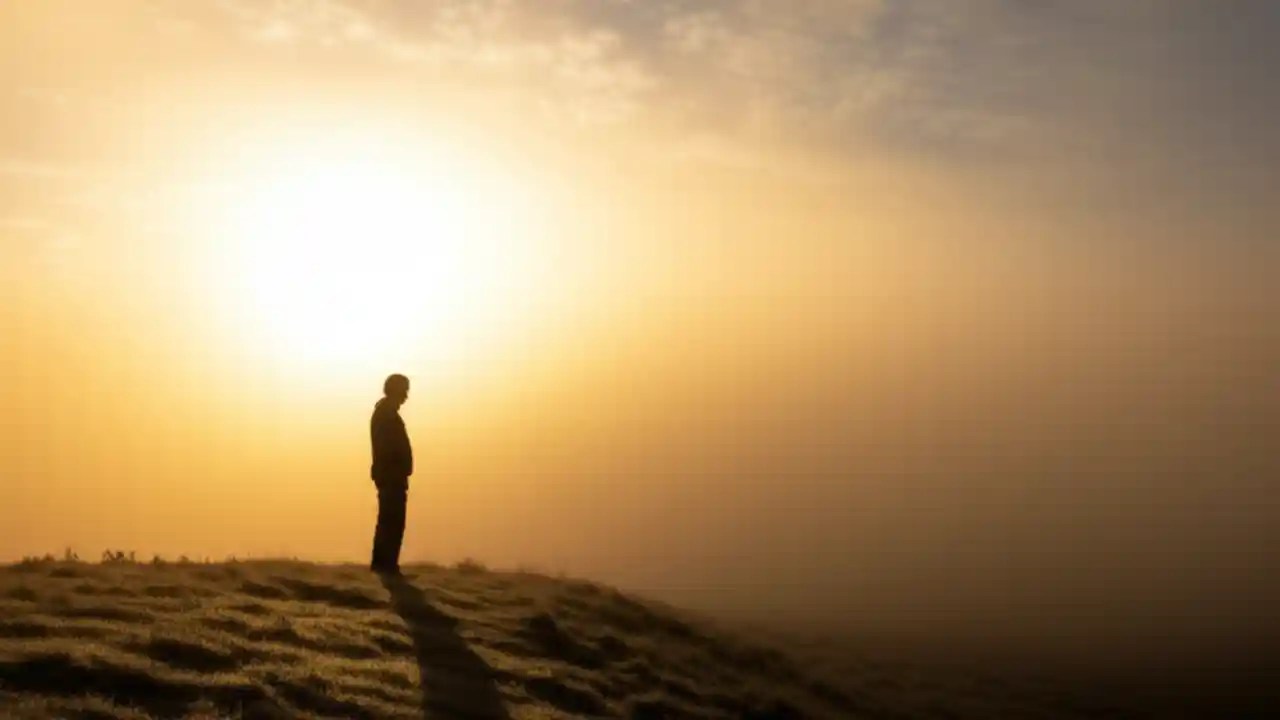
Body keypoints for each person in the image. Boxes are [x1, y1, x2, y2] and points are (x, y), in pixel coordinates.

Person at [370, 373, 413, 574]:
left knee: (391, 521)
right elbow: (387, 447)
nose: (406, 396)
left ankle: (386, 565)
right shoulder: (386, 414)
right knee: (391, 521)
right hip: (391, 477)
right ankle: (384, 566)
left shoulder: (387, 413)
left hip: (391, 476)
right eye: (404, 390)